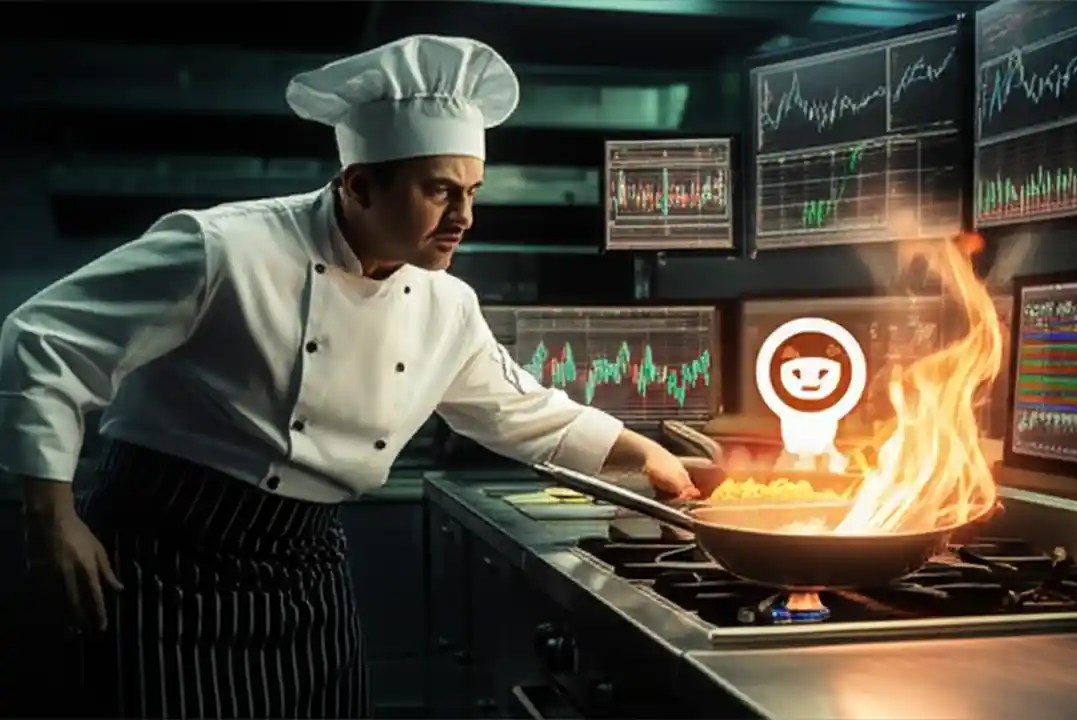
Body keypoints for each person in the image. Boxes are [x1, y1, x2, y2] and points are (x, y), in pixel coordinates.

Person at [0, 34, 696, 719]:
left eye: (471, 192)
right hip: (167, 559)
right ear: (360, 185)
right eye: (440, 191)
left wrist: (650, 458)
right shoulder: (224, 249)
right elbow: (44, 336)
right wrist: (50, 516)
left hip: (306, 567)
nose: (464, 217)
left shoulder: (446, 304)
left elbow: (522, 412)